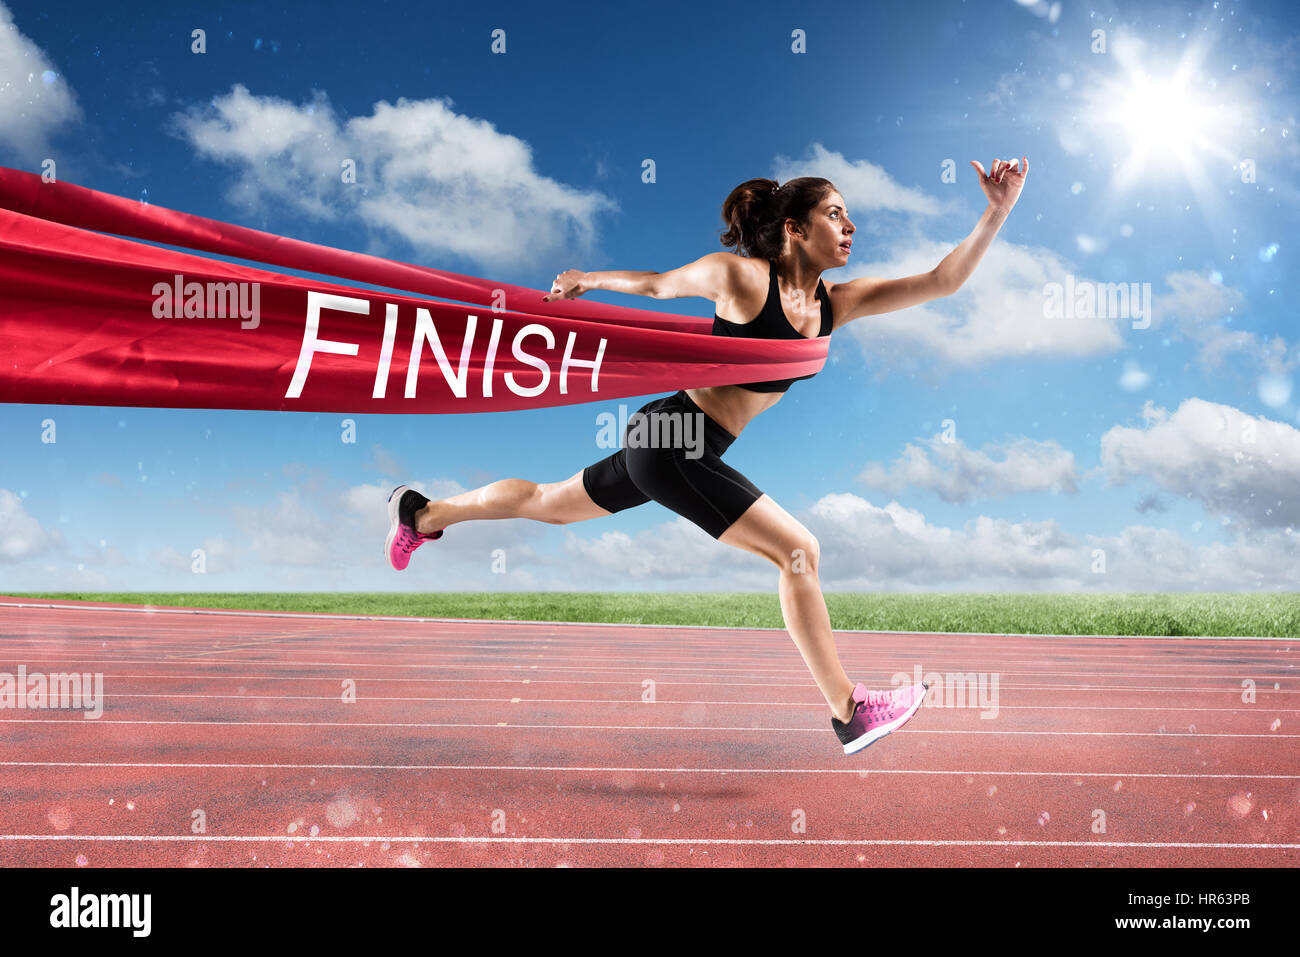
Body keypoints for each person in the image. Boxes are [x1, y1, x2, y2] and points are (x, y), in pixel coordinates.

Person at [385, 157, 1028, 754]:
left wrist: (996, 211)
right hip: (673, 439)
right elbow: (661, 285)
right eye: (835, 214)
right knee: (799, 551)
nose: (851, 225)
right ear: (794, 229)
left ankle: (422, 513)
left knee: (548, 504)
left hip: (677, 446)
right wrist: (589, 280)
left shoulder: (837, 303)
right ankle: (848, 709)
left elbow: (942, 280)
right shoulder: (743, 278)